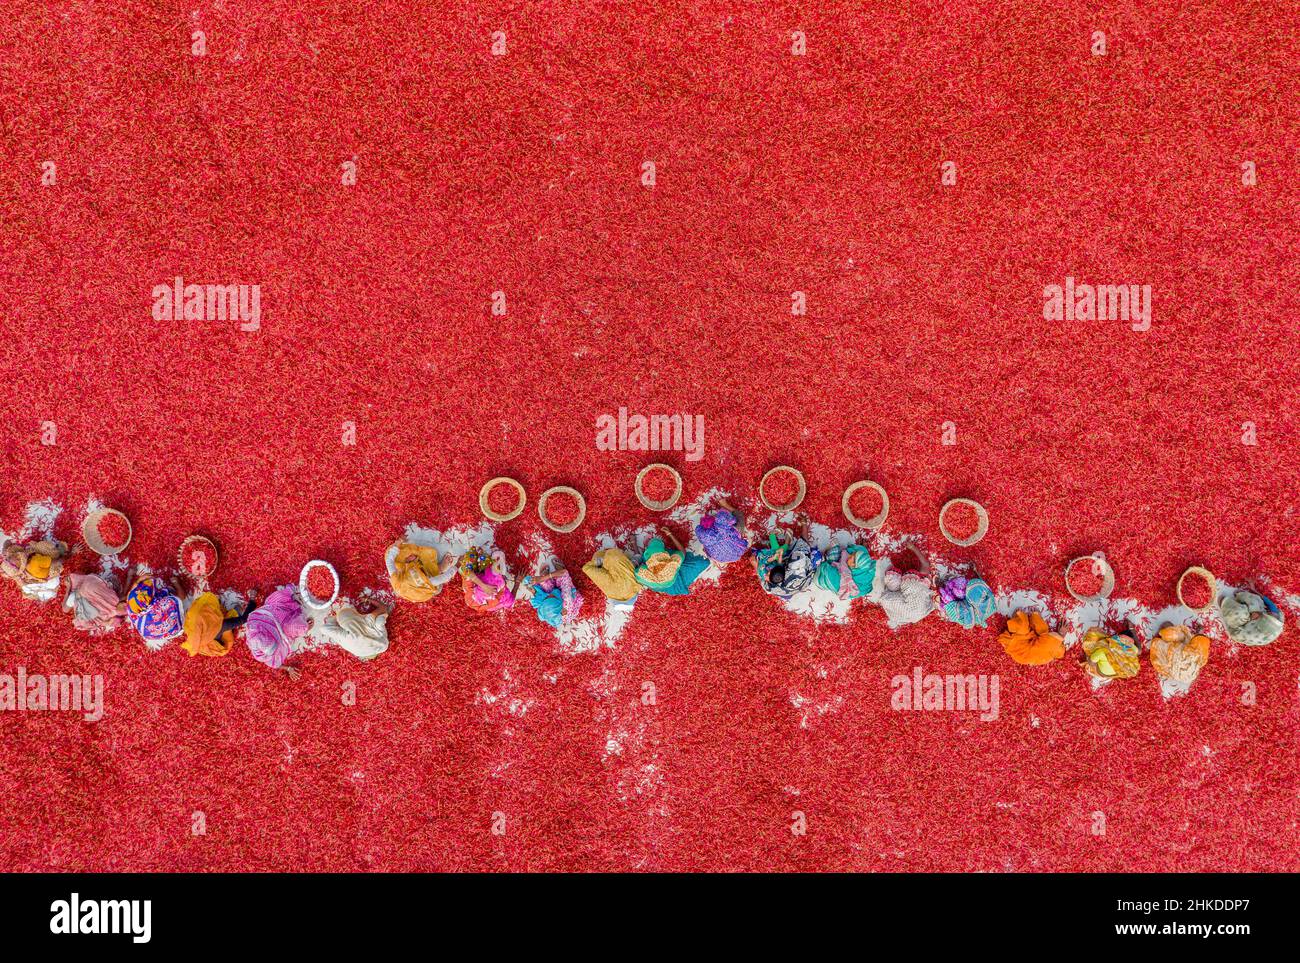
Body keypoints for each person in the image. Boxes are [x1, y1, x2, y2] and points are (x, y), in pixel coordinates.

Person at [245, 587, 310, 674]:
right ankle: (306, 623)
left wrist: (252, 598)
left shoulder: (255, 623)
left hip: (273, 613)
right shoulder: (259, 653)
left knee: (275, 598)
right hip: (285, 630)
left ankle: (292, 602)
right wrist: (288, 668)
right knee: (301, 627)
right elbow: (273, 664)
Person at [309, 595, 392, 661]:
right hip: (377, 646)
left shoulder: (348, 636)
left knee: (378, 623)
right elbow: (383, 608)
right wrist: (368, 600)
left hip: (368, 649)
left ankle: (370, 655)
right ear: (357, 613)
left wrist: (334, 617)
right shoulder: (369, 619)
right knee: (379, 622)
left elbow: (323, 628)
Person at [635, 529, 711, 596]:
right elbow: (682, 551)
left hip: (659, 585)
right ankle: (656, 547)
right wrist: (670, 534)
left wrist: (634, 543)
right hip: (676, 581)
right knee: (699, 563)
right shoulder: (672, 564)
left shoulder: (642, 572)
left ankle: (652, 547)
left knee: (642, 561)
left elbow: (636, 566)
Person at [182, 590, 257, 657]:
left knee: (206, 606)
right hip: (217, 640)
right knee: (238, 609)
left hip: (205, 637)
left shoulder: (196, 623)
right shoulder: (222, 626)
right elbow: (244, 619)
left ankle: (219, 612)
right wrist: (252, 600)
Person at [873, 546, 935, 628]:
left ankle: (899, 581)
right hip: (913, 603)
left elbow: (885, 598)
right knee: (893, 577)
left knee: (891, 576)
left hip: (905, 604)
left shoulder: (895, 602)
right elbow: (885, 598)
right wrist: (914, 548)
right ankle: (903, 580)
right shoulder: (921, 588)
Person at [754, 527, 821, 599]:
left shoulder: (768, 587)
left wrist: (759, 567)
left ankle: (782, 538)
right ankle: (786, 540)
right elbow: (779, 566)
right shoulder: (799, 569)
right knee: (814, 555)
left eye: (768, 573)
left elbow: (756, 563)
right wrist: (804, 525)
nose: (767, 573)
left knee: (775, 551)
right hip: (796, 587)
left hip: (787, 592)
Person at [123, 572, 186, 648]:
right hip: (173, 629)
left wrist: (138, 580)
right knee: (176, 600)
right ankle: (177, 584)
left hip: (149, 634)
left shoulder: (132, 606)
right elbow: (180, 598)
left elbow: (132, 592)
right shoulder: (159, 607)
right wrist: (176, 584)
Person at [1, 535, 69, 602]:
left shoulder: (15, 561)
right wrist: (69, 555)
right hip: (48, 567)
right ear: (19, 565)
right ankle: (60, 552)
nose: (12, 556)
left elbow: (7, 542)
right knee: (48, 549)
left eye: (8, 558)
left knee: (36, 548)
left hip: (37, 563)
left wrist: (4, 550)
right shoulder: (34, 562)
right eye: (14, 559)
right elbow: (56, 562)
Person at [387, 541, 457, 603]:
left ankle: (414, 564)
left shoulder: (397, 581)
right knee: (437, 588)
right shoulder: (428, 585)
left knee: (397, 559)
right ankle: (440, 569)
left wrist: (398, 545)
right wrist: (456, 566)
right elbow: (442, 578)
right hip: (422, 592)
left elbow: (389, 561)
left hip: (405, 580)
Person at [523, 560, 585, 628]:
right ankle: (558, 570)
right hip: (568, 596)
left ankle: (547, 577)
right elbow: (564, 573)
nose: (549, 595)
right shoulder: (567, 599)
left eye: (547, 598)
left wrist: (530, 586)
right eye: (551, 596)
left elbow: (539, 595)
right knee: (561, 576)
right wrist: (544, 578)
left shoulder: (546, 606)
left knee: (543, 584)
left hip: (558, 600)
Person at [1149, 624, 1210, 692]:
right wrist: (1199, 634)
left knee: (1157, 642)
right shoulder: (1202, 659)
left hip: (1167, 657)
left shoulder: (1186, 649)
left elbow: (1164, 634)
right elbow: (1199, 643)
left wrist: (1165, 632)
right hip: (1175, 674)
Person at [459, 546, 517, 612]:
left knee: (469, 559)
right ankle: (490, 567)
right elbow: (511, 600)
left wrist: (482, 585)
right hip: (482, 579)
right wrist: (517, 582)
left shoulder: (470, 591)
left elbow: (468, 573)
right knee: (486, 560)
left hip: (475, 580)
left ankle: (483, 564)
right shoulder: (501, 595)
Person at [997, 610, 1066, 665]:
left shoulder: (1046, 644)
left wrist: (1035, 615)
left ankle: (1016, 620)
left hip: (1017, 646)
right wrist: (1061, 634)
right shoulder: (1052, 652)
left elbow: (1043, 632)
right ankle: (1027, 619)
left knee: (1022, 625)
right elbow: (1045, 634)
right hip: (1028, 647)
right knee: (1041, 631)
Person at [1220, 589, 1285, 646]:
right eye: (1269, 613)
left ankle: (1227, 605)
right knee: (1255, 601)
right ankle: (1241, 596)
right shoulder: (1276, 615)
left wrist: (1252, 616)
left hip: (1243, 630)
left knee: (1239, 612)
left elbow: (1243, 633)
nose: (1270, 612)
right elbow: (1269, 603)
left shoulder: (1256, 634)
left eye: (1269, 614)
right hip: (1256, 620)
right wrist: (1254, 590)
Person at [694, 497, 749, 564]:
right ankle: (725, 504)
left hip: (719, 559)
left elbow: (698, 529)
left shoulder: (704, 536)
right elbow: (732, 519)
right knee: (739, 516)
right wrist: (723, 510)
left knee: (708, 545)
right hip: (736, 553)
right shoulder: (722, 526)